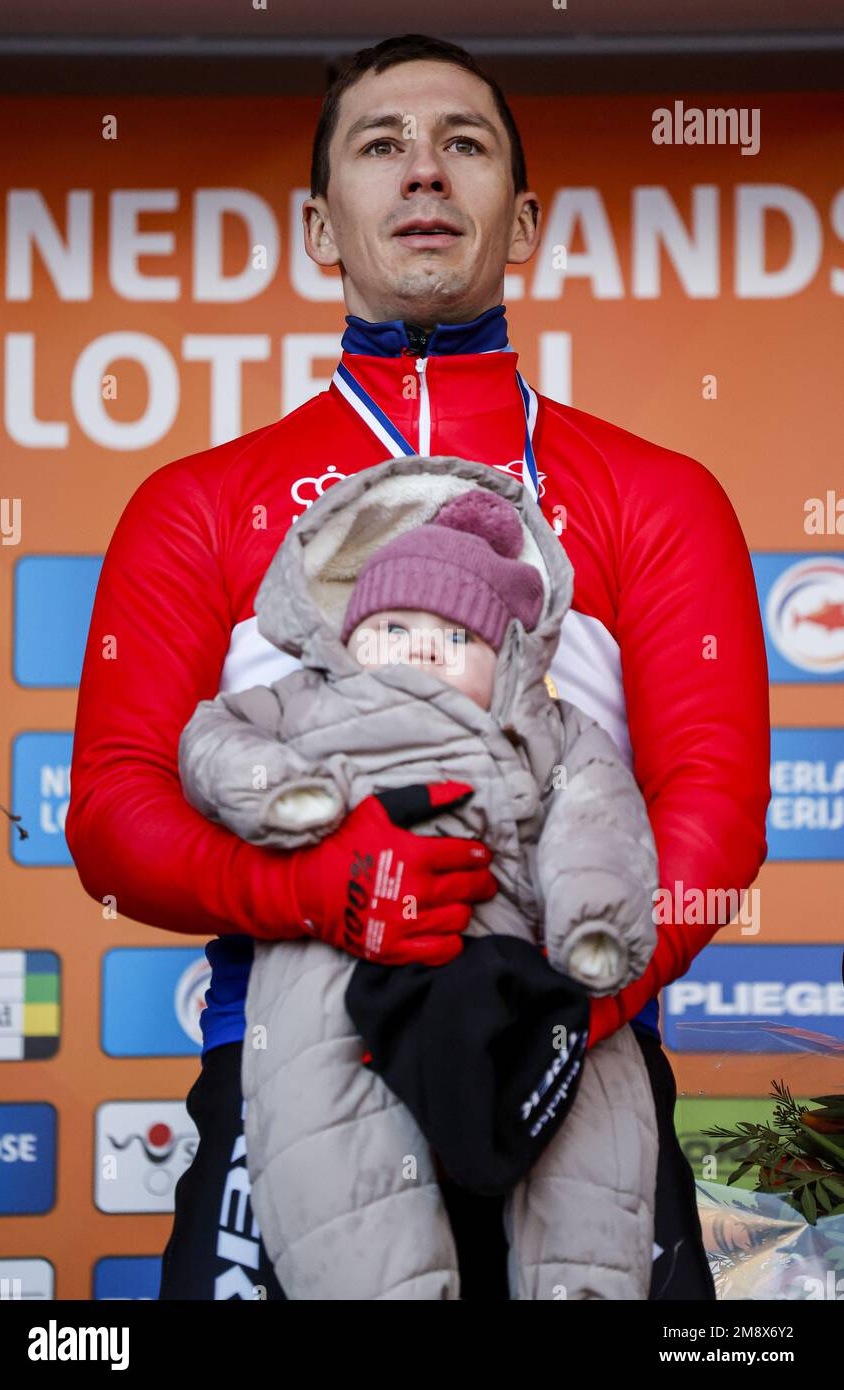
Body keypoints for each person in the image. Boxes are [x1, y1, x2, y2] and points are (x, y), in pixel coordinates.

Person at [65, 33, 771, 1301]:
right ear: (319, 227)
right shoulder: (196, 503)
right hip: (289, 1063)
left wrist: (572, 1011)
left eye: (464, 144)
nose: (424, 174)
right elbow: (115, 813)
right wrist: (318, 896)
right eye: (381, 146)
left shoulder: (658, 495)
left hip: (578, 1061)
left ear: (528, 217)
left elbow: (710, 810)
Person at [176, 457, 660, 1300]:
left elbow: (597, 813)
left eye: (457, 636)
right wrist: (286, 796)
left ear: (507, 655)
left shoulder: (543, 724)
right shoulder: (305, 701)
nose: (421, 647)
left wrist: (592, 923)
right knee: (330, 1130)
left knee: (590, 1127)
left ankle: (580, 1283)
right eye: (392, 629)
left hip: (521, 965)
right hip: (338, 961)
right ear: (346, 637)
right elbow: (210, 744)